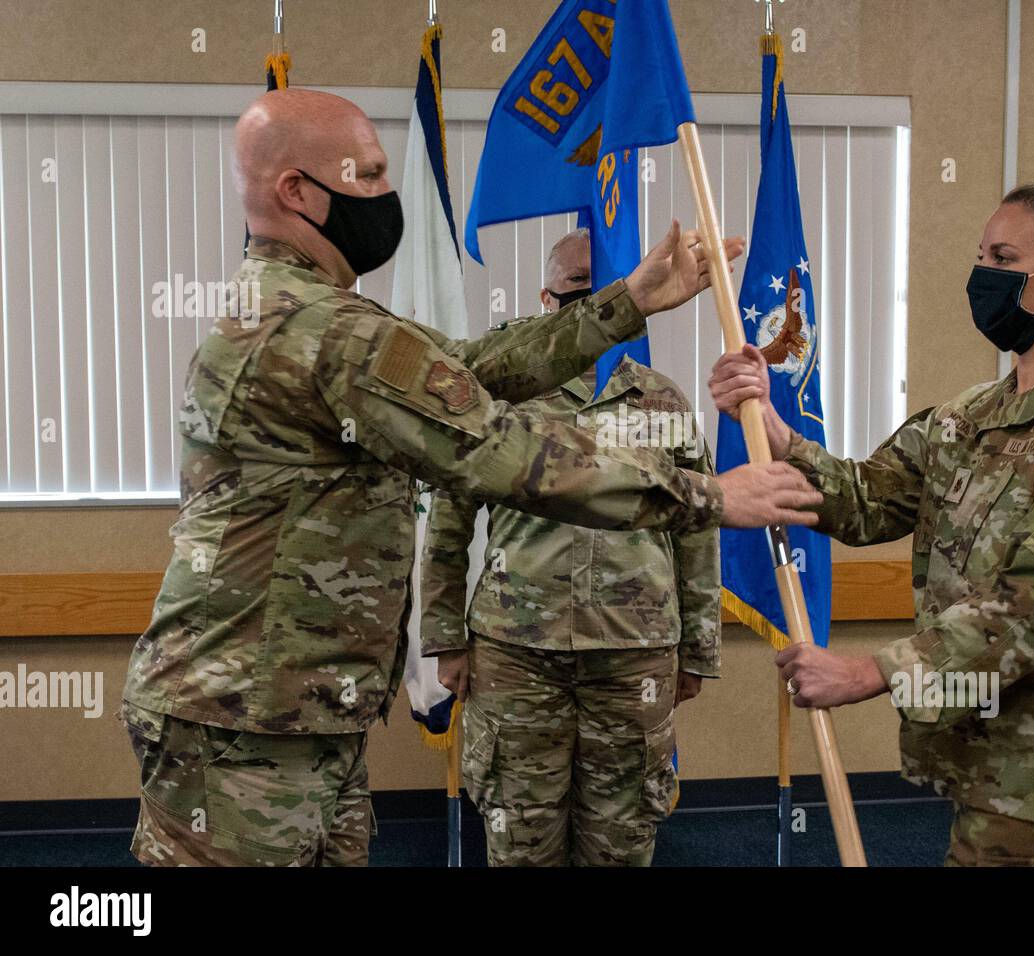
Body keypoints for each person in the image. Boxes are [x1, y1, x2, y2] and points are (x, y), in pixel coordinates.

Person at [120, 88, 821, 867]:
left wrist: (626, 305)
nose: (387, 197)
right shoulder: (317, 329)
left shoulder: (321, 313)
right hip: (244, 716)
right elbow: (494, 447)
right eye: (372, 175)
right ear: (296, 191)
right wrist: (709, 497)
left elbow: (466, 372)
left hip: (286, 705)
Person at [709, 176, 1034, 867]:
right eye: (982, 257)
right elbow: (868, 499)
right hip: (990, 763)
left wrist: (865, 674)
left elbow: (1031, 609)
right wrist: (777, 433)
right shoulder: (971, 416)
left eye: (1003, 259)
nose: (982, 277)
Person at [423, 229, 719, 866]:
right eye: (578, 290)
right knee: (520, 838)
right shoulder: (503, 394)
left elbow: (697, 529)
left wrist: (697, 648)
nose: (594, 302)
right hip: (516, 654)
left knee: (622, 841)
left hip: (633, 655)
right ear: (546, 298)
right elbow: (447, 516)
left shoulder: (662, 401)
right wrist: (444, 636)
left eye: (606, 288)